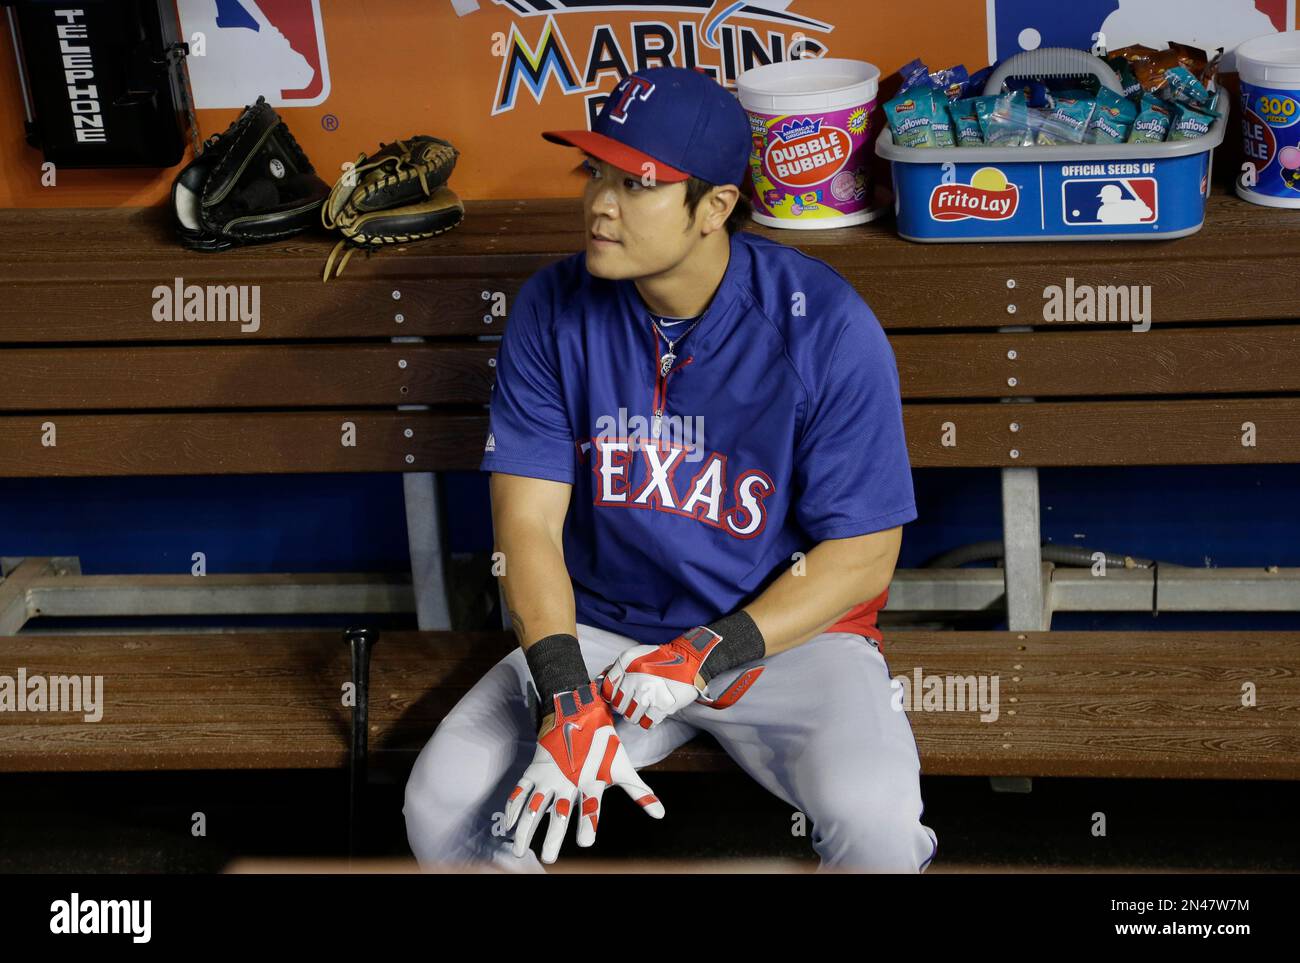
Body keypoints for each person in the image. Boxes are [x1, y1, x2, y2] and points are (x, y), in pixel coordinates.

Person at [403, 65, 937, 873]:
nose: (600, 204)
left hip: (780, 640)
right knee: (439, 804)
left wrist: (707, 653)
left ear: (714, 208)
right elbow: (527, 526)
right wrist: (566, 693)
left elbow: (864, 554)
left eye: (639, 184)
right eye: (596, 174)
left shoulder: (822, 324)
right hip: (604, 634)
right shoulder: (553, 309)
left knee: (880, 829)